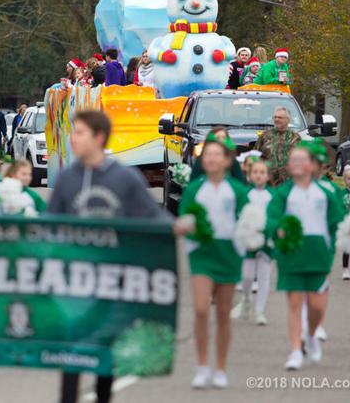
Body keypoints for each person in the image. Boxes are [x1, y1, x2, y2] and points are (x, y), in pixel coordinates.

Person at [48, 110, 177, 403]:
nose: (72, 138)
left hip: (112, 281)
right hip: (74, 282)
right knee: (73, 353)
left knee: (105, 353)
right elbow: (50, 225)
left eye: (79, 132)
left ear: (99, 138)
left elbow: (152, 216)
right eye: (73, 132)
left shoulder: (125, 177)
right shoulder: (68, 178)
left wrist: (177, 228)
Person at [266, 144, 345, 371]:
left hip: (318, 252)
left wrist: (347, 230)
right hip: (291, 252)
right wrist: (277, 229)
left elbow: (337, 218)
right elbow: (271, 217)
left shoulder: (326, 192)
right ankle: (294, 351)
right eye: (294, 160)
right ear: (289, 166)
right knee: (294, 303)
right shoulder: (283, 192)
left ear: (311, 164)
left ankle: (311, 335)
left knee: (316, 307)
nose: (299, 164)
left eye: (303, 160)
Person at [180, 133, 249, 389]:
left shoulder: (238, 190)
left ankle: (219, 368)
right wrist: (182, 227)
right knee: (200, 308)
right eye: (207, 154)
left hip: (229, 254)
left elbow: (249, 219)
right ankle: (201, 366)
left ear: (227, 160)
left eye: (216, 155)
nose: (211, 159)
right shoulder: (195, 189)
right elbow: (185, 217)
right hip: (202, 254)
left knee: (222, 314)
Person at [230, 159, 273, 326]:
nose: (259, 175)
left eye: (262, 172)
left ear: (268, 176)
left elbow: (275, 216)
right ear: (249, 175)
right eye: (255, 172)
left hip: (266, 241)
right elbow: (238, 214)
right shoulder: (245, 194)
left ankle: (260, 310)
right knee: (247, 276)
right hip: (248, 239)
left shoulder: (272, 195)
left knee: (264, 276)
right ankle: (246, 298)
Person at [254, 107, 301, 185]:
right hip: (268, 181)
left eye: (280, 117)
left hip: (289, 182)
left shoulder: (295, 138)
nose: (276, 119)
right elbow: (256, 156)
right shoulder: (265, 136)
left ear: (288, 120)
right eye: (275, 117)